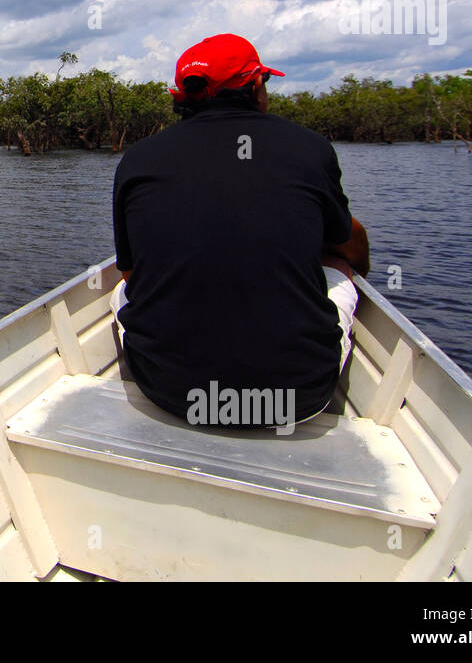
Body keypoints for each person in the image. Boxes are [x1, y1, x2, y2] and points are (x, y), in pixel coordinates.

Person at [112, 33, 370, 427]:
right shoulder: (310, 148)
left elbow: (131, 275)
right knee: (338, 268)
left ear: (185, 95)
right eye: (264, 82)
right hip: (296, 396)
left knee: (117, 290)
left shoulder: (139, 158)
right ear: (254, 85)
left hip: (169, 391)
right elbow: (348, 244)